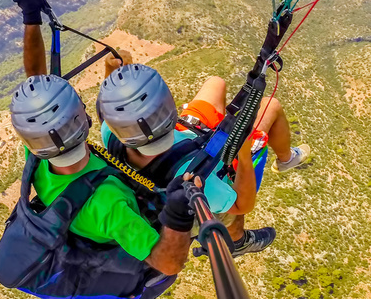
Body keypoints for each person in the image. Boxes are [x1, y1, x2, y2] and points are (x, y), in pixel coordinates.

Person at [0, 0, 197, 299]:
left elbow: (36, 82)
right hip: (131, 278)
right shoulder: (110, 205)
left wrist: (31, 18)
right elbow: (168, 263)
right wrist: (177, 217)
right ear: (85, 120)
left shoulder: (38, 158)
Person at [97, 57, 311, 258]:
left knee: (215, 84)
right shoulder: (203, 184)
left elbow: (113, 115)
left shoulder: (111, 135)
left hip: (185, 140)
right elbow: (241, 206)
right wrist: (244, 154)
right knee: (271, 106)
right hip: (196, 153)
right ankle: (238, 239)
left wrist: (115, 75)